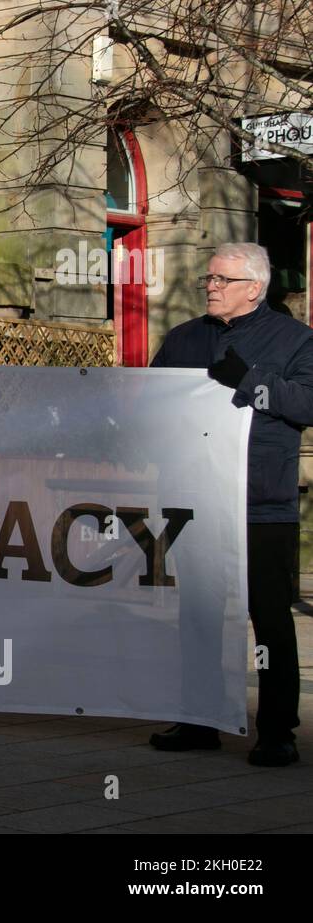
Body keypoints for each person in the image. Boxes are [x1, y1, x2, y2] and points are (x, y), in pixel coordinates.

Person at [148, 242, 308, 767]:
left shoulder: (296, 340)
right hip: (196, 500)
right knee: (197, 616)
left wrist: (252, 380)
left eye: (222, 279)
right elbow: (150, 402)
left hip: (261, 504)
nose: (211, 286)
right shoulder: (184, 338)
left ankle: (277, 730)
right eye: (208, 280)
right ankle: (199, 719)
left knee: (269, 620)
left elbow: (307, 405)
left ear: (254, 288)